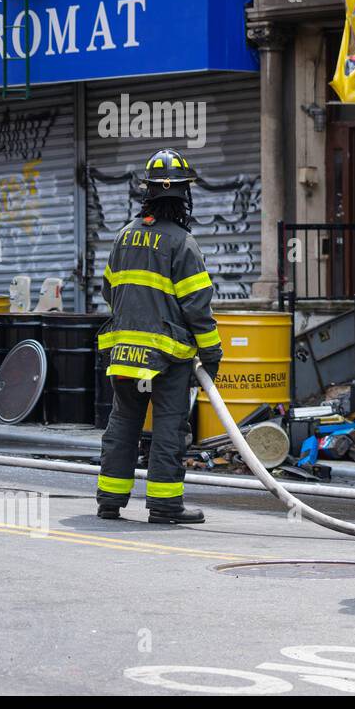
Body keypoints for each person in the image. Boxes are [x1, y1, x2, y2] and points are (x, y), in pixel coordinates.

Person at [95, 149, 222, 525]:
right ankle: (165, 505)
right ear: (185, 196)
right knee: (169, 426)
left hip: (123, 354)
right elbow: (197, 308)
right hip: (168, 359)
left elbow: (108, 290)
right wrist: (212, 355)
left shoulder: (124, 237)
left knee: (122, 423)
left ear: (146, 193)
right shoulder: (183, 244)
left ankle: (110, 499)